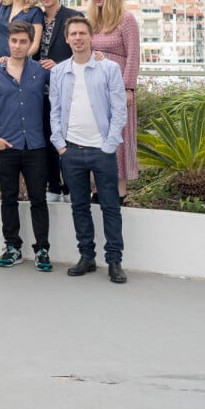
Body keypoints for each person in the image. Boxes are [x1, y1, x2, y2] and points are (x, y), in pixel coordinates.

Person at [49, 15, 129, 284]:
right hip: (71, 151)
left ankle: (114, 260)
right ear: (67, 39)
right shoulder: (59, 72)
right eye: (73, 34)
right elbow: (55, 110)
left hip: (102, 151)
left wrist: (109, 144)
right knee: (79, 206)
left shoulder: (109, 69)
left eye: (82, 33)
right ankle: (87, 256)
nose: (78, 38)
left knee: (110, 207)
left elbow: (119, 109)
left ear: (91, 37)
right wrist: (60, 145)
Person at [0, 21, 52, 272]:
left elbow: (68, 82)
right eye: (14, 41)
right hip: (6, 145)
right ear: (8, 41)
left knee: (38, 199)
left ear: (31, 43)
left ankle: (42, 249)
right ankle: (12, 246)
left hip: (35, 146)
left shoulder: (41, 71)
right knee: (8, 198)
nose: (18, 46)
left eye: (23, 41)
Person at [89, 0, 141, 202]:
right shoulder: (94, 20)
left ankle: (120, 191)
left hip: (118, 88)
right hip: (95, 89)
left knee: (119, 137)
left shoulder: (126, 19)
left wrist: (128, 88)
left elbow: (133, 56)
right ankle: (100, 187)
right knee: (98, 136)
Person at [34, 0, 82, 202]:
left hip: (66, 89)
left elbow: (81, 51)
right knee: (47, 139)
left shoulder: (73, 16)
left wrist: (59, 65)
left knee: (68, 140)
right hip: (39, 90)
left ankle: (71, 188)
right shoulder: (36, 17)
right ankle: (54, 186)